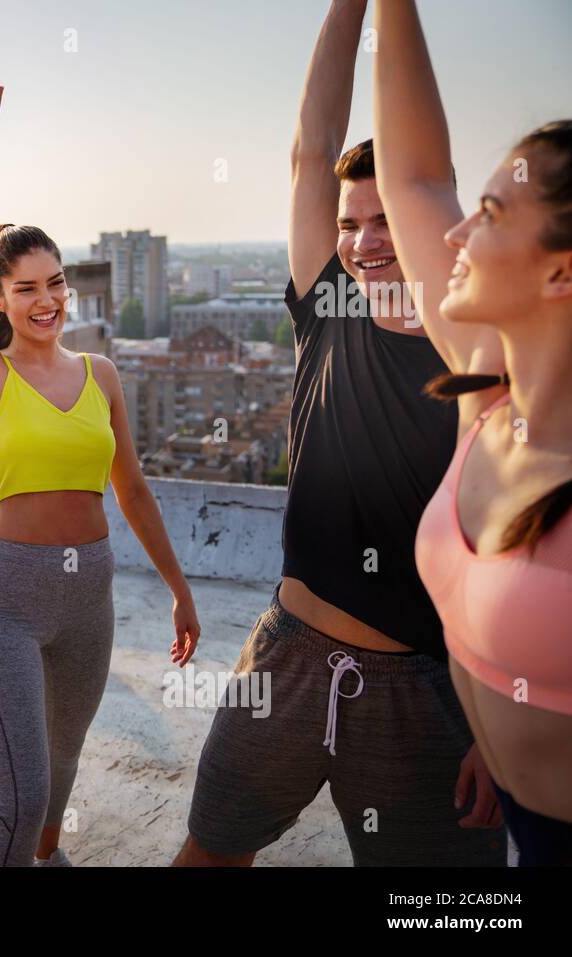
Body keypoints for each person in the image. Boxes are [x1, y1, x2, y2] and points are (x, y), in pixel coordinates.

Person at [175, 0, 506, 867]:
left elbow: (520, 556)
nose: (362, 243)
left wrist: (497, 727)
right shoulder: (325, 308)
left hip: (423, 696)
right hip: (285, 655)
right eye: (349, 223)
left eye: (384, 221)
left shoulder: (479, 353)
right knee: (207, 853)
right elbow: (311, 146)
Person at [0, 55, 202, 868]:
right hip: (8, 595)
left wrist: (181, 590)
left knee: (67, 766)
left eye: (56, 284)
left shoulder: (100, 376)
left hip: (93, 596)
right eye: (26, 288)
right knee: (23, 798)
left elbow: (136, 491)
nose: (47, 300)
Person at [368, 0, 572, 867]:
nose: (453, 228)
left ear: (561, 268)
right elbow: (411, 175)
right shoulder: (484, 384)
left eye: (487, 213)